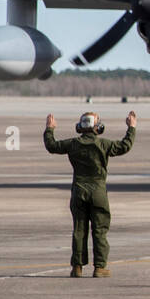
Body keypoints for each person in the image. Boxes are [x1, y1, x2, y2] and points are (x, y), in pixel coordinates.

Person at [44, 110, 137, 278]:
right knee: (99, 230)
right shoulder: (104, 144)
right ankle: (100, 268)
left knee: (79, 230)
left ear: (81, 127)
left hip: (79, 191)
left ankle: (77, 267)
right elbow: (125, 146)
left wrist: (50, 129)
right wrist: (131, 128)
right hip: (98, 192)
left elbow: (52, 146)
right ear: (97, 127)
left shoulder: (73, 144)